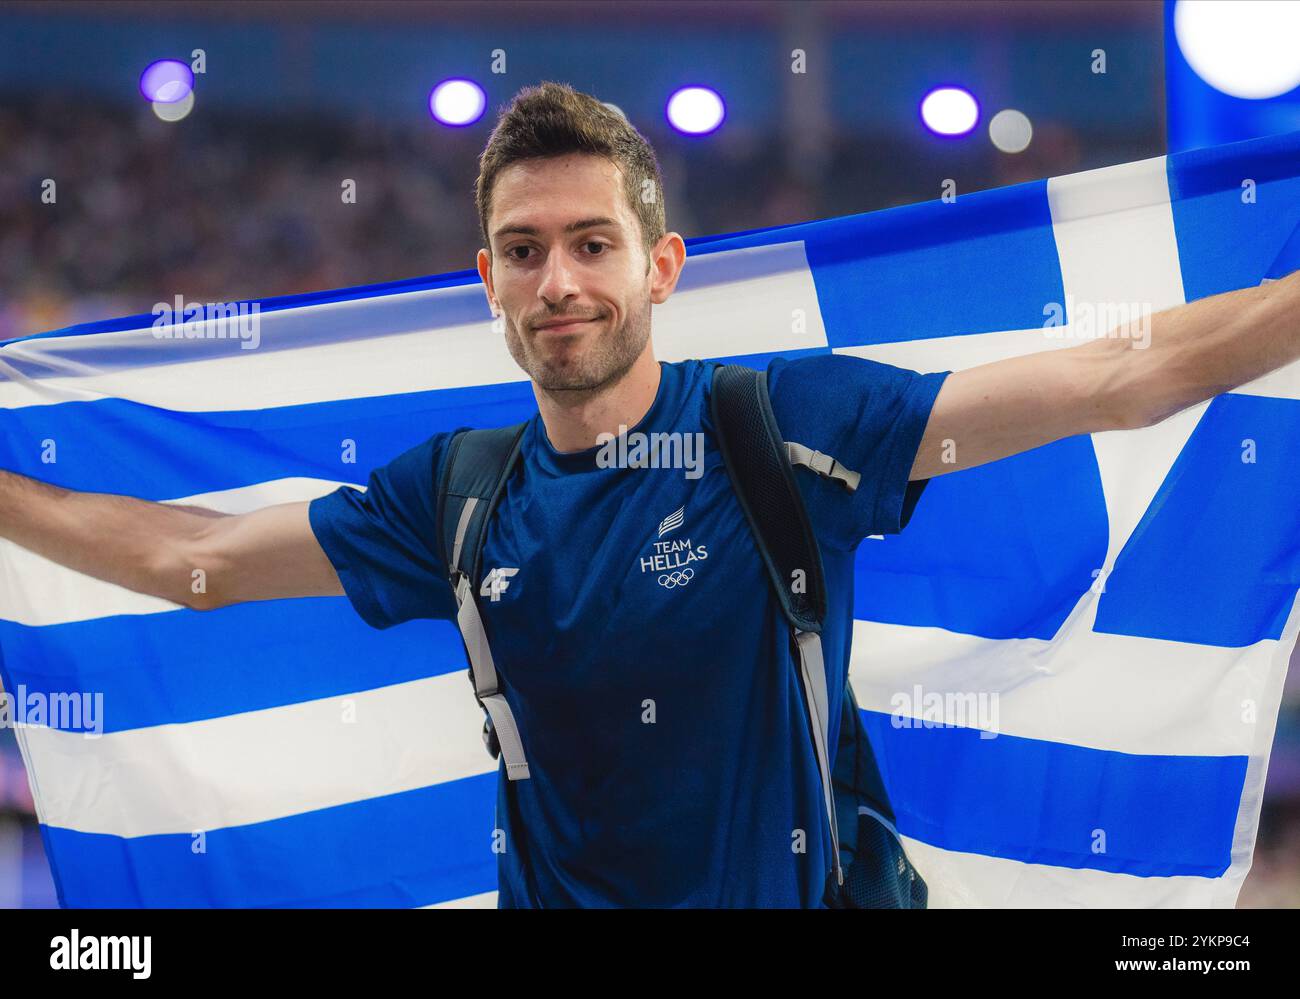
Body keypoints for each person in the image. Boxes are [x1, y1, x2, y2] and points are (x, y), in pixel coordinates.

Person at [2, 80, 1298, 908]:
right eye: (525, 252)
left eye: (589, 244)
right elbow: (202, 557)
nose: (558, 280)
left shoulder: (781, 426)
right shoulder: (455, 495)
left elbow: (1123, 380)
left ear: (662, 265)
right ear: (490, 282)